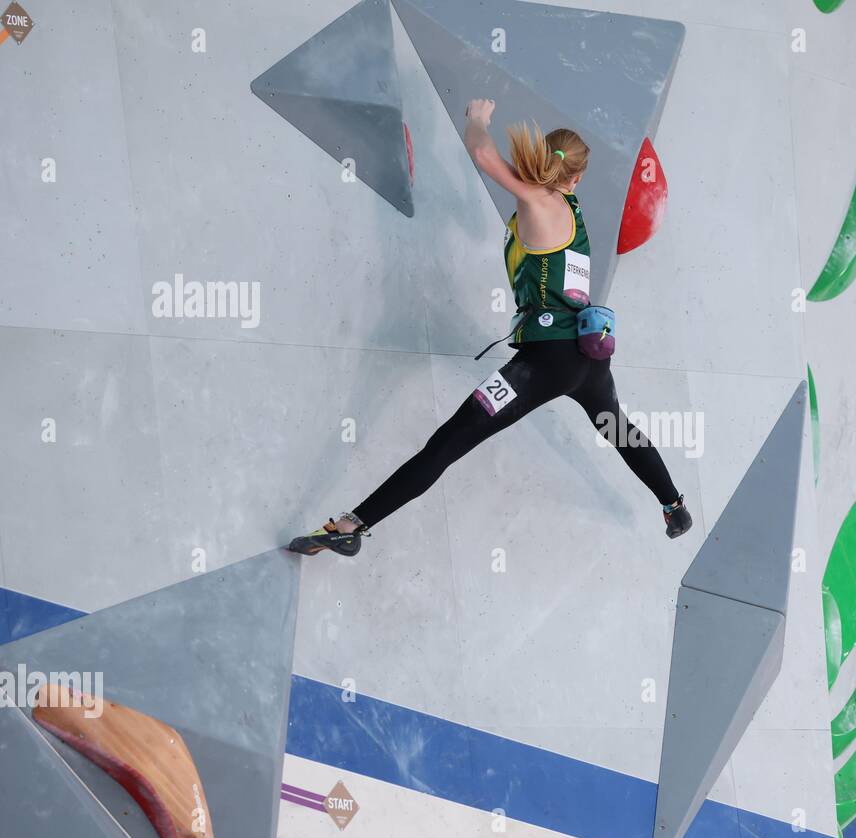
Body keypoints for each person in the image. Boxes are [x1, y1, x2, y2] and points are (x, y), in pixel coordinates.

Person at [290, 98, 692, 558]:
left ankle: (351, 526)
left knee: (447, 444)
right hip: (589, 358)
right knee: (618, 428)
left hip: (545, 362)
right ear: (576, 178)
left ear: (547, 161)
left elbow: (482, 155)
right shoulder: (570, 206)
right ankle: (674, 505)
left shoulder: (539, 202)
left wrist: (478, 120)